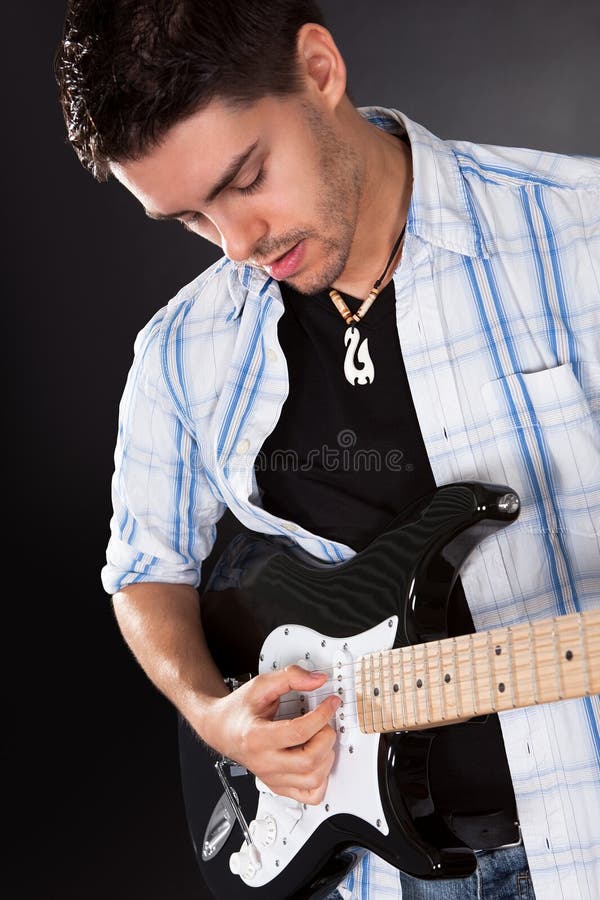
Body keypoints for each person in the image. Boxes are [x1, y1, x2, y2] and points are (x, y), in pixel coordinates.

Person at [54, 1, 599, 898]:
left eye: (244, 179)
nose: (236, 245)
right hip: (375, 872)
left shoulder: (580, 234)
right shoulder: (182, 352)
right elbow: (144, 570)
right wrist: (214, 714)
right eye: (188, 218)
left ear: (319, 69)